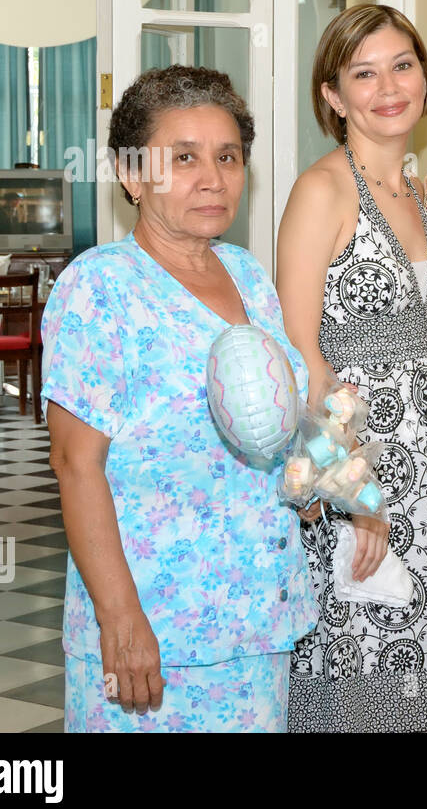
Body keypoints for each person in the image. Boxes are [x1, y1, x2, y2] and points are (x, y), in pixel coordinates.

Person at [43, 65, 317, 732]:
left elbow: (275, 424)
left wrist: (318, 480)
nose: (213, 178)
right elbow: (76, 464)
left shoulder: (249, 276)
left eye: (228, 156)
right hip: (154, 629)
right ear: (132, 175)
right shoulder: (99, 288)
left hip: (258, 619)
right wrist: (120, 617)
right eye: (184, 158)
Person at [277, 4, 427, 732]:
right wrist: (355, 493)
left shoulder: (420, 194)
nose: (388, 88)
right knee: (365, 687)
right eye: (364, 74)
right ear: (333, 95)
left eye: (402, 66)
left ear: (425, 79)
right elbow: (299, 354)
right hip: (358, 469)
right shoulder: (322, 191)